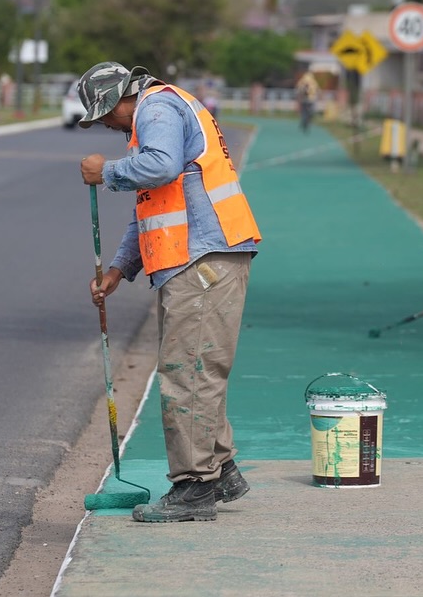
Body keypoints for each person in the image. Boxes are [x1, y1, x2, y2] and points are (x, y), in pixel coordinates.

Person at [77, 61, 262, 522]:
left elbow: (160, 167)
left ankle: (194, 487)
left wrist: (107, 172)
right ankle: (221, 471)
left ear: (121, 97)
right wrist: (119, 268)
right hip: (198, 259)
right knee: (198, 367)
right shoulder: (155, 116)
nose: (106, 125)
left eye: (105, 114)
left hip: (203, 260)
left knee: (188, 373)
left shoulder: (156, 109)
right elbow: (150, 209)